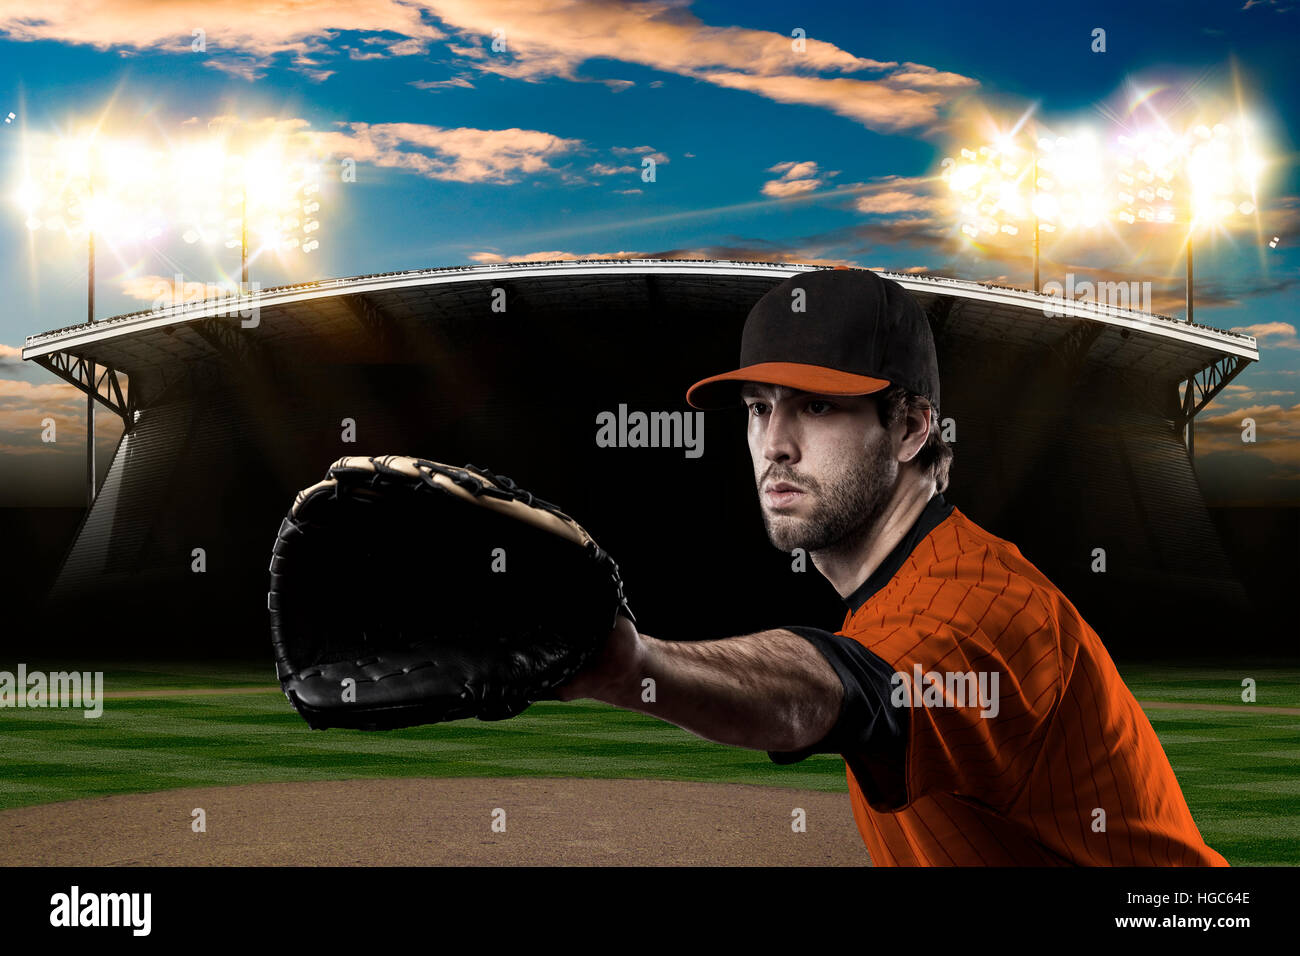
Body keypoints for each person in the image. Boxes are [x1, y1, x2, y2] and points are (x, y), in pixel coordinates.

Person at [560, 267, 1227, 866]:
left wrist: (632, 666)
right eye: (760, 408)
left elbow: (845, 690)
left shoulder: (985, 602)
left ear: (910, 428)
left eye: (817, 405)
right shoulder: (886, 593)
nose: (775, 445)